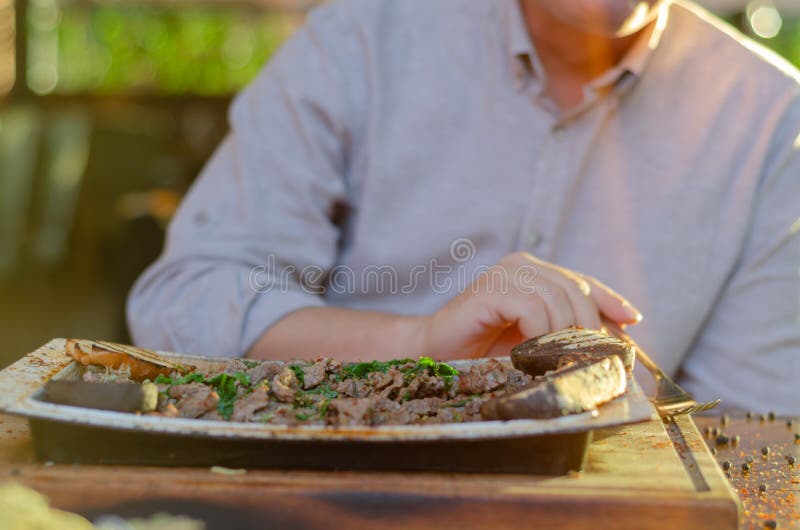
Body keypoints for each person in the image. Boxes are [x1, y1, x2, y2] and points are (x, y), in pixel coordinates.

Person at [128, 0, 800, 413]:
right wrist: (416, 346)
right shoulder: (360, 40)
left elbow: (746, 435)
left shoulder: (773, 124)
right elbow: (184, 300)